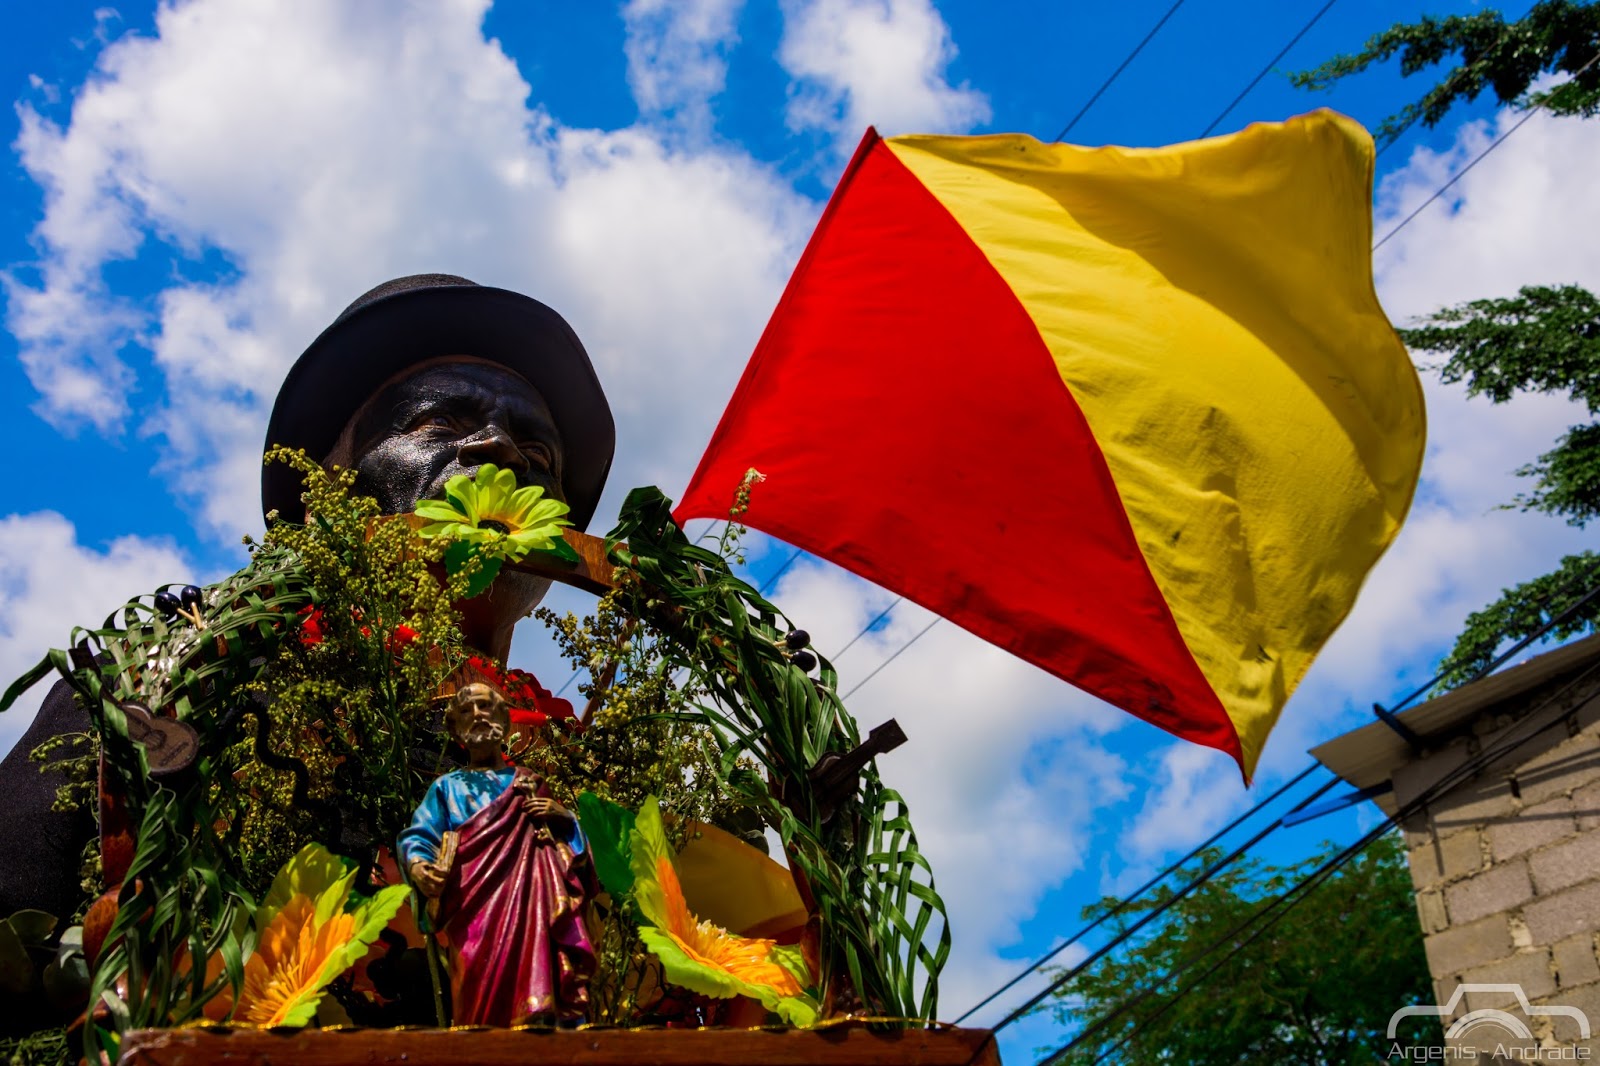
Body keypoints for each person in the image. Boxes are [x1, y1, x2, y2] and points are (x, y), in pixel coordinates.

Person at [0, 274, 614, 918]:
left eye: (539, 451)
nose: (502, 449)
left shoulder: (591, 769)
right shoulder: (173, 672)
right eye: (439, 420)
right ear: (327, 489)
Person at [398, 677, 595, 1024]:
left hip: (532, 906)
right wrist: (418, 866)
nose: (476, 714)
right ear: (456, 729)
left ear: (504, 721)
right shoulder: (447, 788)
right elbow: (419, 836)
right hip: (472, 915)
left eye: (485, 705)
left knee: (535, 996)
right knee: (475, 1006)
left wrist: (564, 818)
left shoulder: (529, 782)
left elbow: (566, 855)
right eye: (465, 710)